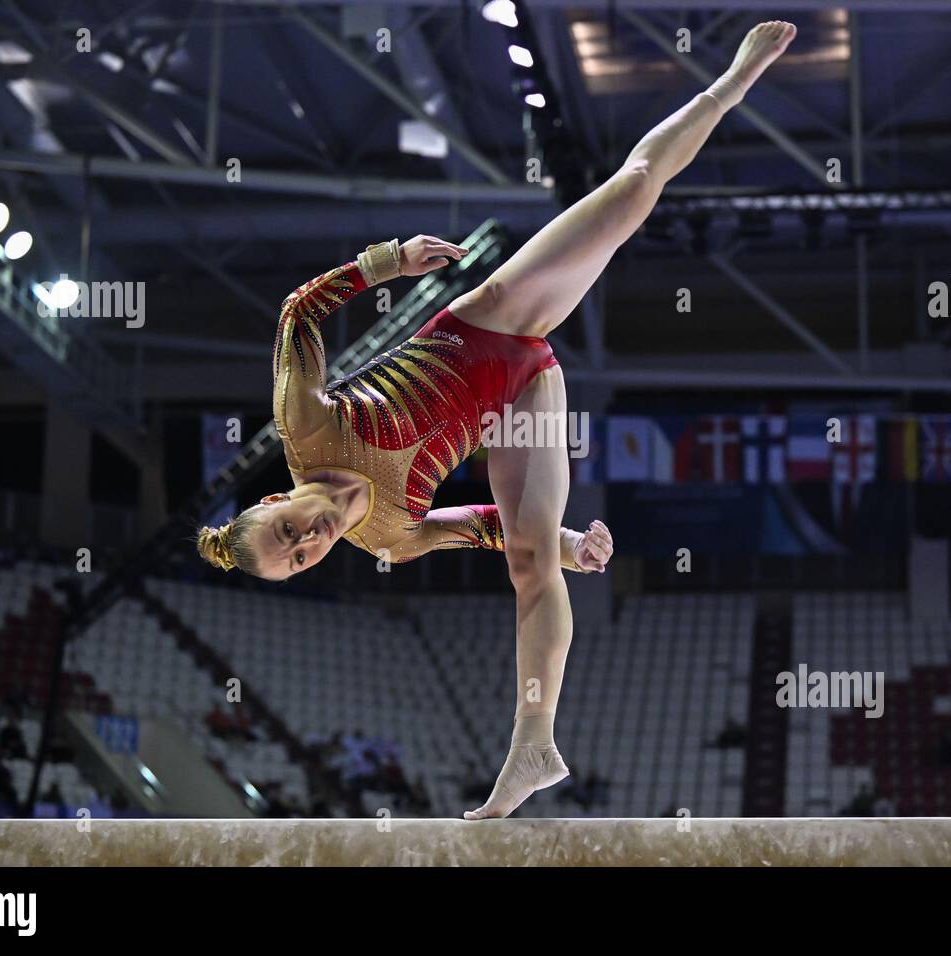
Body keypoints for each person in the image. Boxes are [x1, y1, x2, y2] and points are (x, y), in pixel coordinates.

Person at [194, 21, 798, 818]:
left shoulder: (306, 430)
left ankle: (730, 83)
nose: (308, 545)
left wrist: (386, 262)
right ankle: (533, 743)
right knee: (531, 558)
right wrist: (572, 544)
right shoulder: (389, 540)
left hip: (490, 320)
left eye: (286, 537)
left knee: (633, 190)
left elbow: (295, 316)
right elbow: (479, 524)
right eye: (301, 562)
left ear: (273, 504)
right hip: (523, 393)